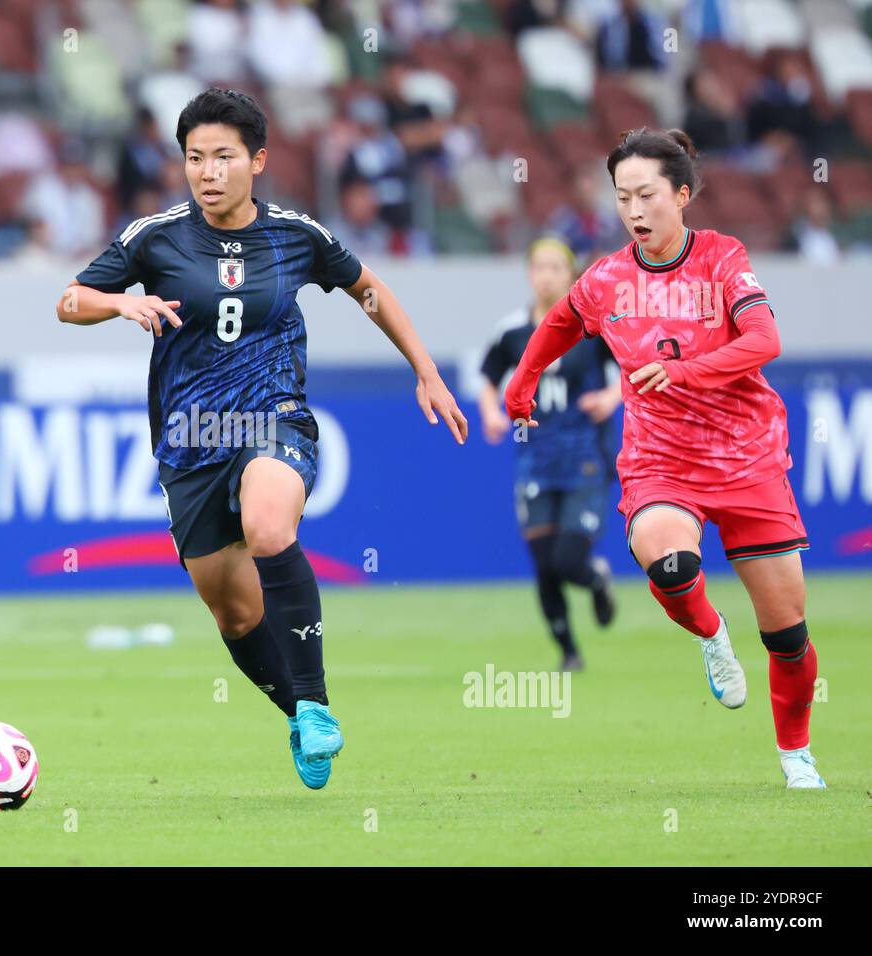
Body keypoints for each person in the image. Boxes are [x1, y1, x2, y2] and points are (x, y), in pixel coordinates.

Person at [57, 88, 467, 790]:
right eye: (194, 158)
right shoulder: (155, 237)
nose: (207, 172)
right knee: (234, 610)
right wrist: (120, 300)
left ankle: (316, 702)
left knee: (269, 524)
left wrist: (425, 371)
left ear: (258, 160)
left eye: (222, 156)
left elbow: (370, 290)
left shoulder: (295, 235)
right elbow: (68, 301)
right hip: (190, 441)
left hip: (272, 417)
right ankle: (300, 715)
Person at [504, 128, 824, 788]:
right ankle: (711, 634)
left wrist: (690, 373)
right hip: (661, 462)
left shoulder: (723, 259)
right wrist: (525, 377)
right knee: (671, 562)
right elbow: (564, 318)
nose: (635, 210)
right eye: (623, 198)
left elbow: (765, 339)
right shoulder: (608, 277)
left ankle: (796, 755)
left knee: (788, 635)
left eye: (647, 194)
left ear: (682, 194)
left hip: (748, 460)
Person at [478, 236, 621, 671]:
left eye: (555, 267)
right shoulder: (513, 331)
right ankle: (569, 652)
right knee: (544, 565)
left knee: (567, 560)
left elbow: (630, 370)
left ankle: (595, 578)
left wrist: (611, 398)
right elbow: (488, 378)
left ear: (571, 275)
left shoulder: (594, 327)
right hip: (533, 459)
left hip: (584, 456)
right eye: (538, 266)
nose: (546, 275)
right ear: (528, 273)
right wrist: (491, 414)